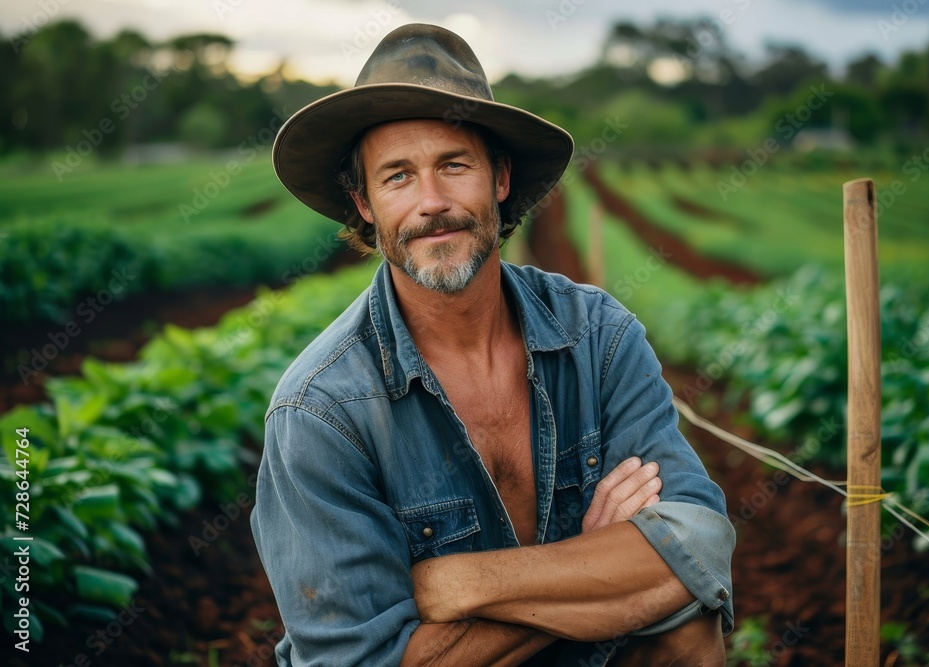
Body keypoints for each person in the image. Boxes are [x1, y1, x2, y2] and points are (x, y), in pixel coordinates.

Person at [251, 23, 736, 667]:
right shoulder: (321, 410)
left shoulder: (599, 338)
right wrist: (591, 565)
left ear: (500, 179)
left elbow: (698, 547)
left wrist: (461, 584)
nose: (432, 203)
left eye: (454, 165)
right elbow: (362, 662)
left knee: (686, 631)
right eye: (398, 177)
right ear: (363, 202)